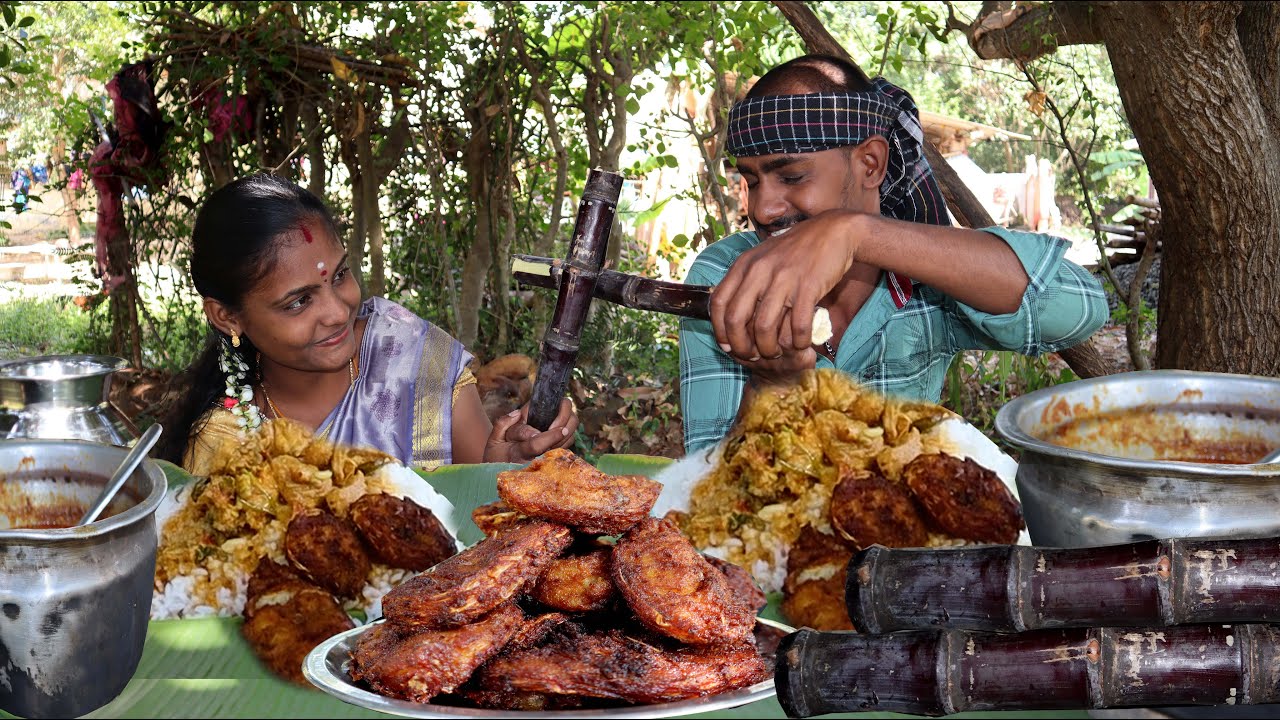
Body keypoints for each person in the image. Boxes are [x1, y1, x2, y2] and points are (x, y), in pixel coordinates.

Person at [679, 55, 1108, 454]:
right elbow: (705, 480)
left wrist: (858, 234)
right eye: (753, 181)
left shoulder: (924, 281)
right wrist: (772, 386)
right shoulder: (725, 276)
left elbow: (1080, 308)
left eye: (791, 176)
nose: (762, 209)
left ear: (870, 163)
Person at [157, 173, 578, 475]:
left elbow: (485, 506)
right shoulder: (225, 437)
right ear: (227, 316)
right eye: (299, 301)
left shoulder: (415, 360)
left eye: (340, 275)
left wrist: (509, 467)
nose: (338, 312)